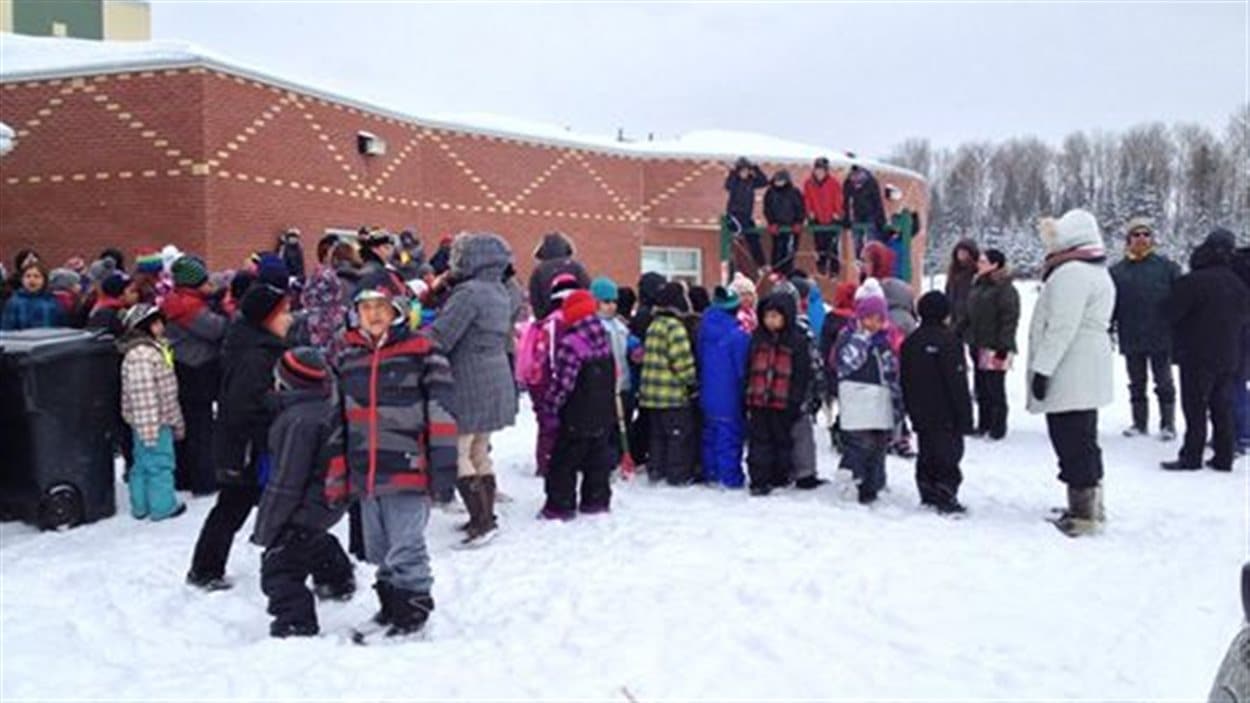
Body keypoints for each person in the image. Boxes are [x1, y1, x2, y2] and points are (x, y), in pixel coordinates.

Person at [326, 271, 457, 640]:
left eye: (381, 306)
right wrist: (338, 472)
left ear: (398, 308)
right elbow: (338, 419)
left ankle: (412, 614)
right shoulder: (348, 355)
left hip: (408, 469)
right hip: (366, 470)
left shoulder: (422, 351)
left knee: (407, 546)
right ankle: (390, 607)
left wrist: (444, 468)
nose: (373, 314)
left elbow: (442, 412)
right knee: (381, 548)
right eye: (365, 307)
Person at [187, 283, 291, 590]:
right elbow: (246, 405)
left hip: (247, 446)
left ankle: (206, 568)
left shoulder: (254, 344)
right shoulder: (255, 356)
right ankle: (205, 569)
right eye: (284, 312)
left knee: (242, 507)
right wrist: (280, 409)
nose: (290, 318)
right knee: (245, 506)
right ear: (266, 318)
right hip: (247, 449)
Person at [251, 347, 355, 638]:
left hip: (309, 500)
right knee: (311, 537)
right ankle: (337, 580)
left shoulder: (298, 421)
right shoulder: (327, 405)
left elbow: (286, 482)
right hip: (331, 498)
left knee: (281, 563)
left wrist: (268, 528)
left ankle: (295, 623)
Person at [1027, 209, 1115, 538]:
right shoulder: (1094, 271)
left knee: (1071, 441)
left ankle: (1083, 515)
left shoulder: (1071, 274)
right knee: (1083, 439)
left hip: (1070, 369)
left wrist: (1043, 369)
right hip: (1085, 369)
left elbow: (1061, 327)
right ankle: (1091, 506)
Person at [429, 233, 520, 547]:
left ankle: (482, 523)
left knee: (459, 452)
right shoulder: (501, 290)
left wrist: (420, 332)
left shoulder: (468, 292)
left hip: (468, 378)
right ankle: (484, 516)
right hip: (495, 376)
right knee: (479, 449)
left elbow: (442, 337)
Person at [1162, 228, 1250, 472]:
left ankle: (1192, 456)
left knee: (1195, 408)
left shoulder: (1193, 282)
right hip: (1230, 354)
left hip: (1196, 355)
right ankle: (1224, 457)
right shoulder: (1238, 284)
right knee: (1222, 407)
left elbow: (1170, 312)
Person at [542, 290, 617, 518]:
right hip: (603, 410)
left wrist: (551, 406)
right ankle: (596, 500)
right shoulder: (603, 336)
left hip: (577, 413)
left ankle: (560, 505)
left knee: (564, 462)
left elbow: (564, 383)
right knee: (598, 461)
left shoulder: (571, 343)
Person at [161, 255, 229, 496]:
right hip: (197, 368)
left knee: (186, 425)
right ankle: (204, 480)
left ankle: (183, 475)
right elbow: (216, 329)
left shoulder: (175, 301)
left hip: (182, 366)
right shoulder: (189, 306)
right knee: (201, 427)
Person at [901, 291, 973, 513]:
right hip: (947, 411)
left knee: (927, 450)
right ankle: (945, 492)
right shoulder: (950, 341)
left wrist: (909, 407)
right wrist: (966, 415)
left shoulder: (911, 341)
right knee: (948, 453)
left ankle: (927, 488)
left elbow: (904, 378)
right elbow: (957, 381)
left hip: (920, 409)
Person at [1109, 217, 1180, 439]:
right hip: (1131, 335)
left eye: (1145, 234)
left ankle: (1168, 425)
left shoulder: (1167, 267)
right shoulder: (1117, 271)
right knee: (1136, 382)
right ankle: (1139, 423)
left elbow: (1181, 301)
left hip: (1161, 335)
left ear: (1152, 240)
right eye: (1136, 235)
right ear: (1128, 240)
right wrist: (1108, 328)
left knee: (1164, 383)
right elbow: (1111, 303)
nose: (1141, 239)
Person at [833, 279, 902, 505]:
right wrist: (862, 340)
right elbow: (846, 364)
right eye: (869, 318)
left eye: (878, 319)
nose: (873, 323)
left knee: (879, 443)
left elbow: (891, 371)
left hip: (879, 401)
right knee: (859, 444)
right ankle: (850, 478)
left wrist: (896, 399)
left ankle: (873, 484)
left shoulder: (884, 342)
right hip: (857, 398)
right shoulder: (850, 338)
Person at [118, 304, 187, 521]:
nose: (161, 326)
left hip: (151, 419)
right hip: (153, 421)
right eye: (156, 322)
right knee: (160, 463)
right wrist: (151, 427)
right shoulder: (141, 354)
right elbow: (143, 393)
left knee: (143, 462)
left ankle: (141, 505)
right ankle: (162, 506)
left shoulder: (152, 349)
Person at [744, 291, 812, 495]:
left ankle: (779, 475)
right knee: (759, 442)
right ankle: (759, 479)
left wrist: (795, 399)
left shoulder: (797, 341)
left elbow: (801, 374)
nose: (770, 321)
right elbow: (748, 367)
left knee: (781, 440)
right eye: (767, 316)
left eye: (775, 316)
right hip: (758, 399)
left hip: (782, 401)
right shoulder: (757, 339)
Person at [639, 282, 698, 485]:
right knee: (678, 436)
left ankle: (656, 469)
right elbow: (682, 360)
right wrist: (690, 381)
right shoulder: (676, 328)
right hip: (671, 394)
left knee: (657, 436)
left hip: (651, 394)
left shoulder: (654, 325)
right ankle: (677, 474)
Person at [961, 248, 1021, 440]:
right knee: (981, 387)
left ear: (995, 265)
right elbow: (969, 313)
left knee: (995, 387)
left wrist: (1004, 345)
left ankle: (998, 427)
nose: (979, 264)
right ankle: (983, 423)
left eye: (984, 261)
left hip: (996, 346)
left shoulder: (1005, 288)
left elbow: (1009, 318)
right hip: (977, 343)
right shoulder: (977, 285)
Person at [698, 286, 751, 488]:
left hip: (707, 390)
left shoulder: (704, 329)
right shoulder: (738, 336)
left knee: (710, 434)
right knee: (728, 436)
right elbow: (741, 369)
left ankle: (711, 473)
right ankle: (729, 478)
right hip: (729, 393)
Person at [591, 277, 633, 469]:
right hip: (605, 386)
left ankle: (619, 458)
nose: (611, 306)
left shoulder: (619, 325)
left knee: (621, 424)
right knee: (605, 427)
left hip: (622, 383)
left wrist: (635, 347)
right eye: (606, 302)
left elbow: (627, 344)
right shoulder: (595, 326)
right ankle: (603, 462)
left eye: (614, 302)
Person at [527, 231, 591, 320]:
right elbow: (587, 290)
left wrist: (542, 317)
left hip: (550, 319)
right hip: (577, 315)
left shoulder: (539, 270)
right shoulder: (576, 267)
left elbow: (535, 299)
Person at [803, 156, 844, 277]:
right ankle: (822, 266)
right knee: (819, 244)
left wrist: (839, 213)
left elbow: (838, 199)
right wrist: (809, 213)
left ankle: (834, 269)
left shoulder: (833, 183)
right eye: (817, 169)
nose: (819, 173)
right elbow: (807, 199)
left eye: (821, 170)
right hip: (817, 218)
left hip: (831, 218)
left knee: (832, 245)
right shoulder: (809, 183)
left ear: (826, 171)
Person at [725, 157, 770, 268]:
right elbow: (728, 185)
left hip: (747, 216)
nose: (744, 173)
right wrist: (733, 172)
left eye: (746, 170)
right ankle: (733, 264)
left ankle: (761, 264)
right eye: (742, 171)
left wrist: (756, 169)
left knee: (754, 238)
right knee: (737, 235)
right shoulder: (735, 182)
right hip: (735, 215)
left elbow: (764, 181)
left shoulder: (751, 181)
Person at [763, 170, 806, 275]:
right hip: (777, 228)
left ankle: (787, 273)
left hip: (791, 228)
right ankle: (776, 272)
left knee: (789, 253)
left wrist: (798, 221)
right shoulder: (770, 193)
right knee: (777, 251)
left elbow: (801, 208)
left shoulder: (794, 192)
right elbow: (767, 209)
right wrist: (771, 222)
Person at [1, 262, 64, 330]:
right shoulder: (14, 302)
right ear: (22, 279)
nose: (32, 279)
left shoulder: (52, 302)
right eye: (28, 276)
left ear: (44, 280)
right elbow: (7, 327)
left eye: (36, 276)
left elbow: (61, 326)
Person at [842, 164, 887, 256]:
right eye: (853, 175)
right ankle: (859, 257)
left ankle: (871, 256)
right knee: (856, 237)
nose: (854, 178)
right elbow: (845, 201)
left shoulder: (870, 182)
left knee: (871, 236)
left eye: (857, 175)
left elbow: (877, 200)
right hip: (857, 213)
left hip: (871, 213)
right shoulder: (848, 183)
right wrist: (846, 217)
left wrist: (880, 217)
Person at [86, 272, 138, 337]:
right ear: (121, 296)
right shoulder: (114, 315)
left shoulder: (100, 308)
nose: (137, 295)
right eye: (132, 291)